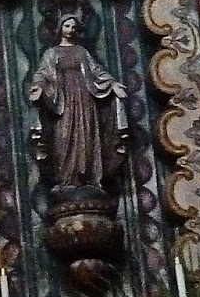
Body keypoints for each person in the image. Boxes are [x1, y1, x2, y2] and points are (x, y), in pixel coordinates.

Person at [26, 12, 127, 190]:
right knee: (63, 137)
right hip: (62, 102)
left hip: (84, 99)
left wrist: (112, 84)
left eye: (73, 27)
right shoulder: (52, 53)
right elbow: (42, 74)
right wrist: (39, 88)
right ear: (60, 28)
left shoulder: (82, 52)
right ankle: (66, 179)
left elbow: (96, 71)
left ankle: (88, 178)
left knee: (86, 135)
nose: (70, 30)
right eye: (67, 26)